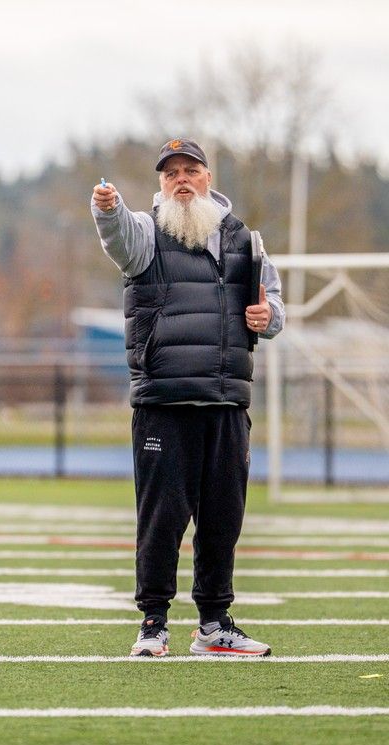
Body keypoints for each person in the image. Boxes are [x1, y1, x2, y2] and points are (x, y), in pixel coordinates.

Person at [91, 138, 285, 657]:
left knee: (224, 519)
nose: (180, 178)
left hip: (226, 400)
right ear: (160, 182)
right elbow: (118, 237)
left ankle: (214, 624)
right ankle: (153, 624)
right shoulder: (146, 233)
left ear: (207, 177)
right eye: (170, 171)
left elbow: (274, 306)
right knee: (162, 519)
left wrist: (270, 319)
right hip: (164, 399)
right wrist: (105, 210)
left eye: (190, 169)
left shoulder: (247, 240)